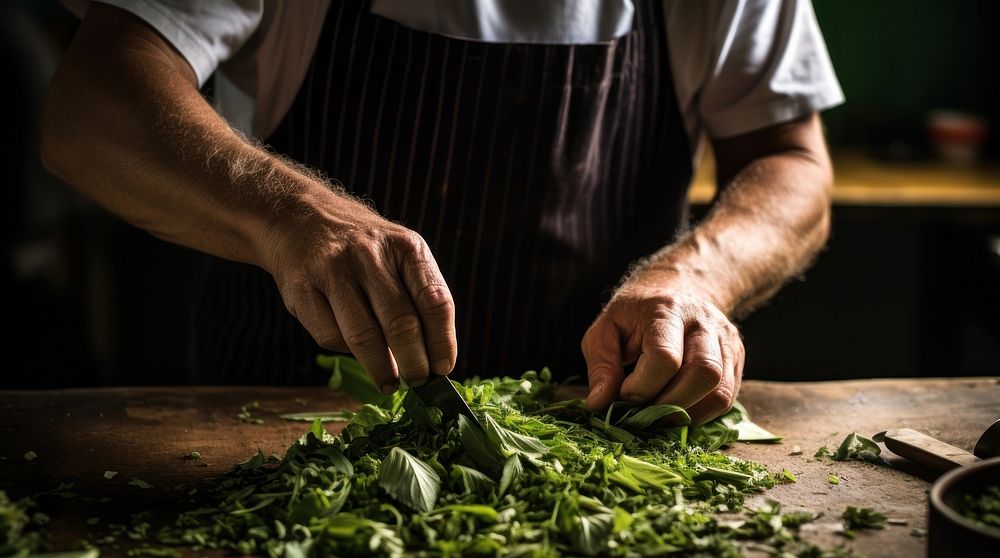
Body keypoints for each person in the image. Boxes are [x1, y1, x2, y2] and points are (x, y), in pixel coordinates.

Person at [41, 0, 842, 424]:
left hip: (597, 420)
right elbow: (92, 104)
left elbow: (792, 159)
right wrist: (295, 215)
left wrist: (695, 277)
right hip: (287, 425)